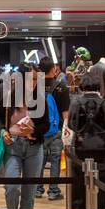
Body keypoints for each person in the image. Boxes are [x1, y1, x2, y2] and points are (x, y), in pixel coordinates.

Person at [0, 64, 51, 209]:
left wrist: (32, 132)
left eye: (35, 79)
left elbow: (47, 126)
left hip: (34, 147)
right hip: (12, 145)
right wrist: (3, 131)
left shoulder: (41, 99)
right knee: (11, 186)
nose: (33, 83)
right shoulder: (9, 98)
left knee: (29, 191)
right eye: (29, 79)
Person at [68, 68, 105, 209]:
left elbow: (71, 125)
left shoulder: (75, 102)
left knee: (78, 184)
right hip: (102, 148)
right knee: (102, 185)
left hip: (81, 148)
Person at [39, 59, 70, 200]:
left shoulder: (35, 86)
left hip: (39, 129)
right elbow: (65, 112)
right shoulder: (61, 87)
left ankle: (37, 189)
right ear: (53, 69)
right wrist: (66, 129)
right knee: (56, 159)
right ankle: (53, 191)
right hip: (56, 129)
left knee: (39, 159)